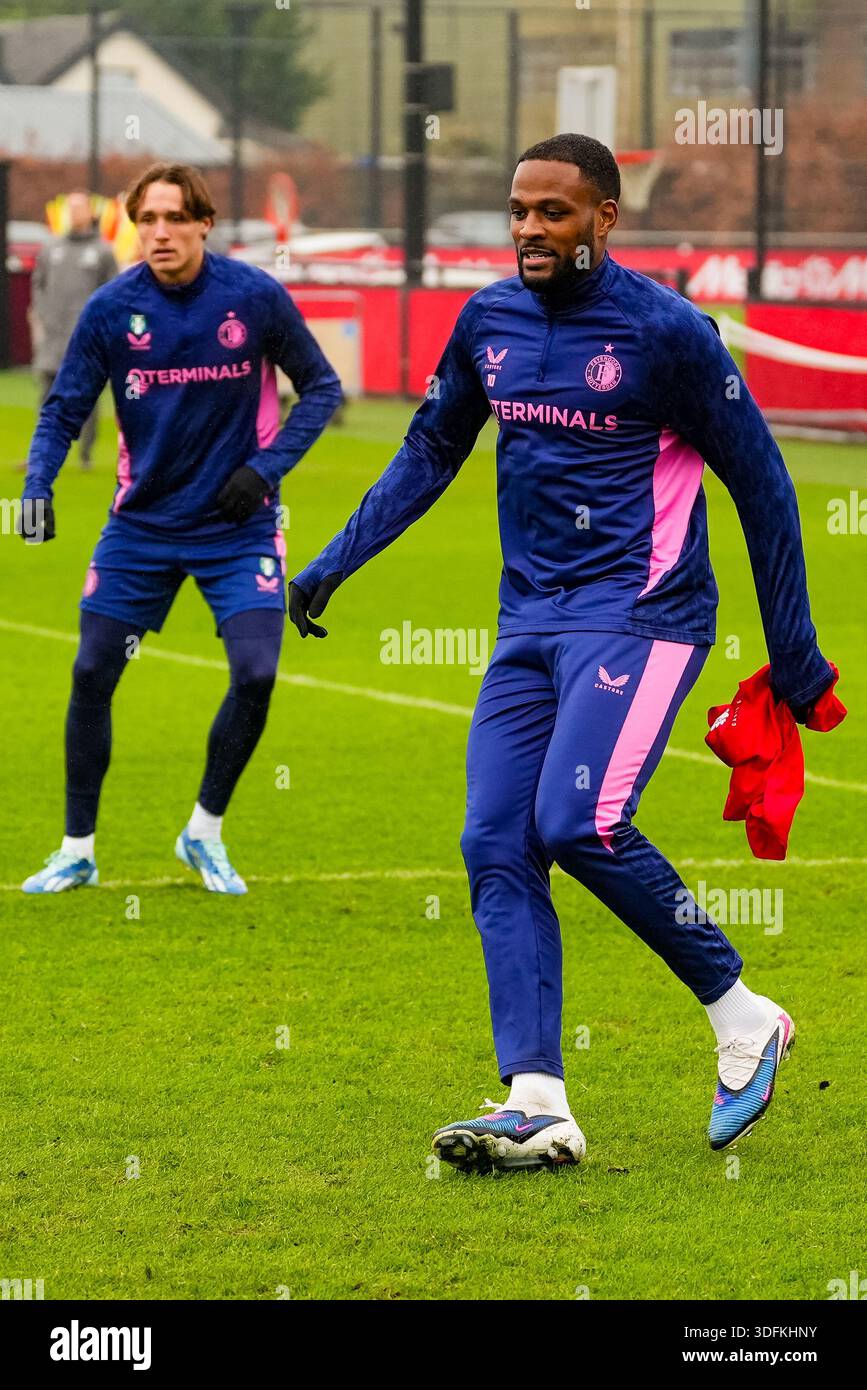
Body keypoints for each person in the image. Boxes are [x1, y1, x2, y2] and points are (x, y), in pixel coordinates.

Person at [288, 134, 835, 1165]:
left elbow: (763, 484)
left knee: (578, 818)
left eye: (556, 211)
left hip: (643, 614)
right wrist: (336, 559)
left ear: (605, 219)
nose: (532, 229)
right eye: (520, 210)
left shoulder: (668, 334)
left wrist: (795, 656)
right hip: (530, 622)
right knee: (496, 839)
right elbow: (432, 447)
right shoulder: (488, 319)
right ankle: (537, 1100)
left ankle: (744, 1015)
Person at [19, 161, 342, 896]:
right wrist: (37, 483)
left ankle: (204, 831)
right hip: (141, 527)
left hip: (239, 527)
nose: (158, 233)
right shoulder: (111, 309)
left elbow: (322, 387)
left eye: (173, 218)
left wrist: (265, 468)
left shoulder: (253, 297)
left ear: (203, 223)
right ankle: (76, 848)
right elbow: (65, 406)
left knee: (256, 672)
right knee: (92, 672)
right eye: (147, 220)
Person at [28, 190, 118, 471]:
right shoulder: (51, 248)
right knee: (47, 395)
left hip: (85, 339)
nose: (73, 213)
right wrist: (43, 314)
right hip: (53, 337)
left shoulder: (102, 251)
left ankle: (84, 455)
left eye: (78, 208)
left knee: (86, 397)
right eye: (70, 208)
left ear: (89, 212)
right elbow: (38, 284)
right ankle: (42, 453)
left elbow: (112, 292)